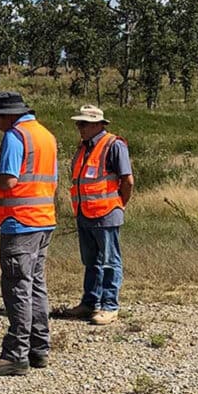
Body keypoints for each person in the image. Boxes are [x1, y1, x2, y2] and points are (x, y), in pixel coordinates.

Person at [0, 92, 57, 377]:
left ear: (9, 115)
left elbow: (8, 181)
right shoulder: (45, 135)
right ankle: (38, 348)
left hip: (20, 221)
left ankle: (15, 355)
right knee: (35, 285)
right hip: (43, 220)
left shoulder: (15, 136)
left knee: (17, 288)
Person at [61, 105, 134, 326]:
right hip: (85, 212)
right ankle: (90, 303)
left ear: (97, 124)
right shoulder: (83, 147)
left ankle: (110, 306)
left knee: (110, 261)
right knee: (91, 261)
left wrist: (118, 204)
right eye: (78, 123)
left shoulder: (114, 145)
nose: (79, 127)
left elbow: (127, 181)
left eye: (83, 123)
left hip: (106, 213)